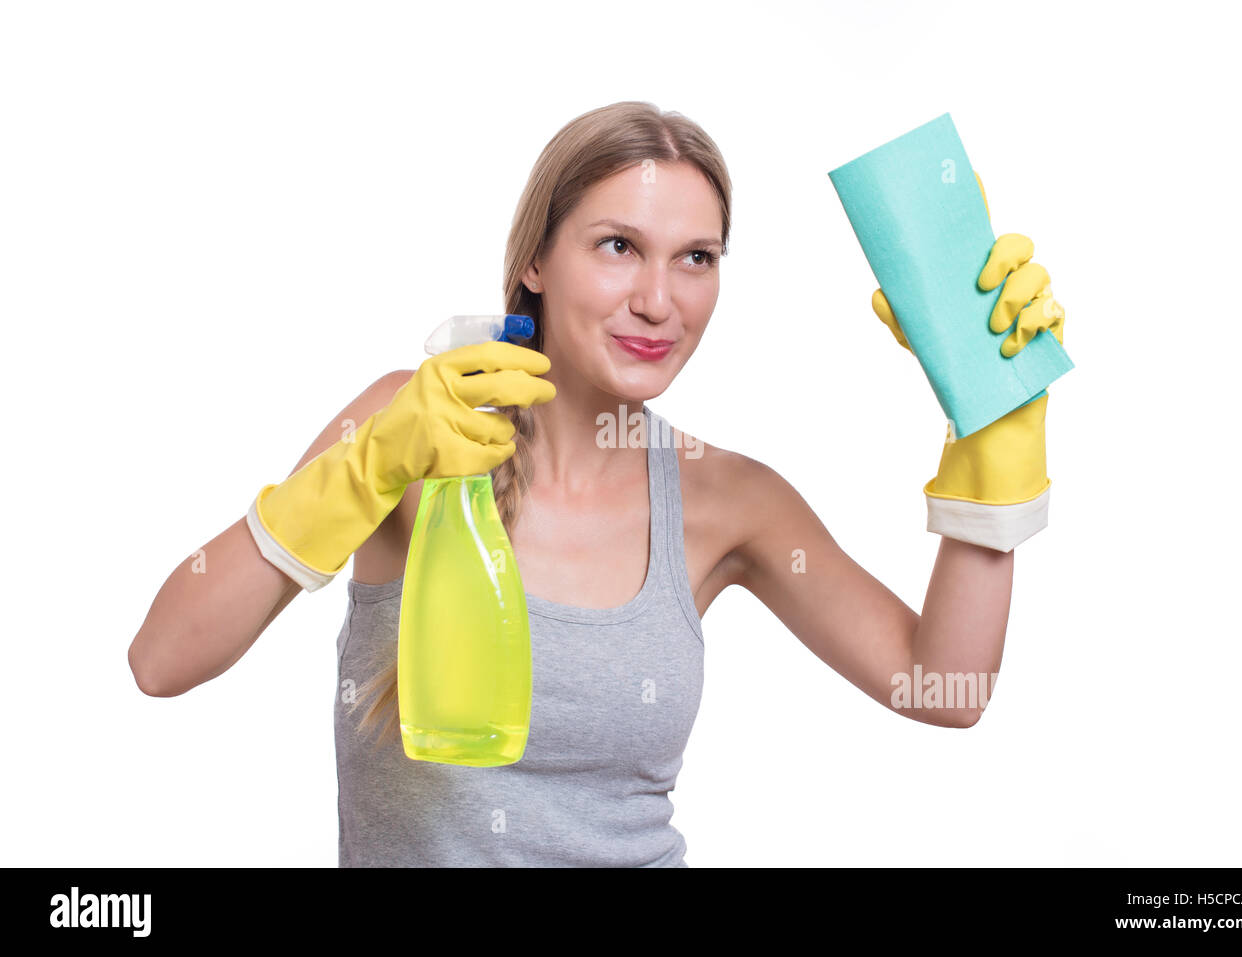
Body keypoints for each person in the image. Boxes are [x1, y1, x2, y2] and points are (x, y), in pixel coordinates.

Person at [128, 100, 1066, 867]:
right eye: (619, 245)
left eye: (696, 258)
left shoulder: (728, 500)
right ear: (536, 259)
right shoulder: (408, 426)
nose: (660, 300)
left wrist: (997, 431)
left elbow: (944, 687)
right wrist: (363, 469)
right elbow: (162, 660)